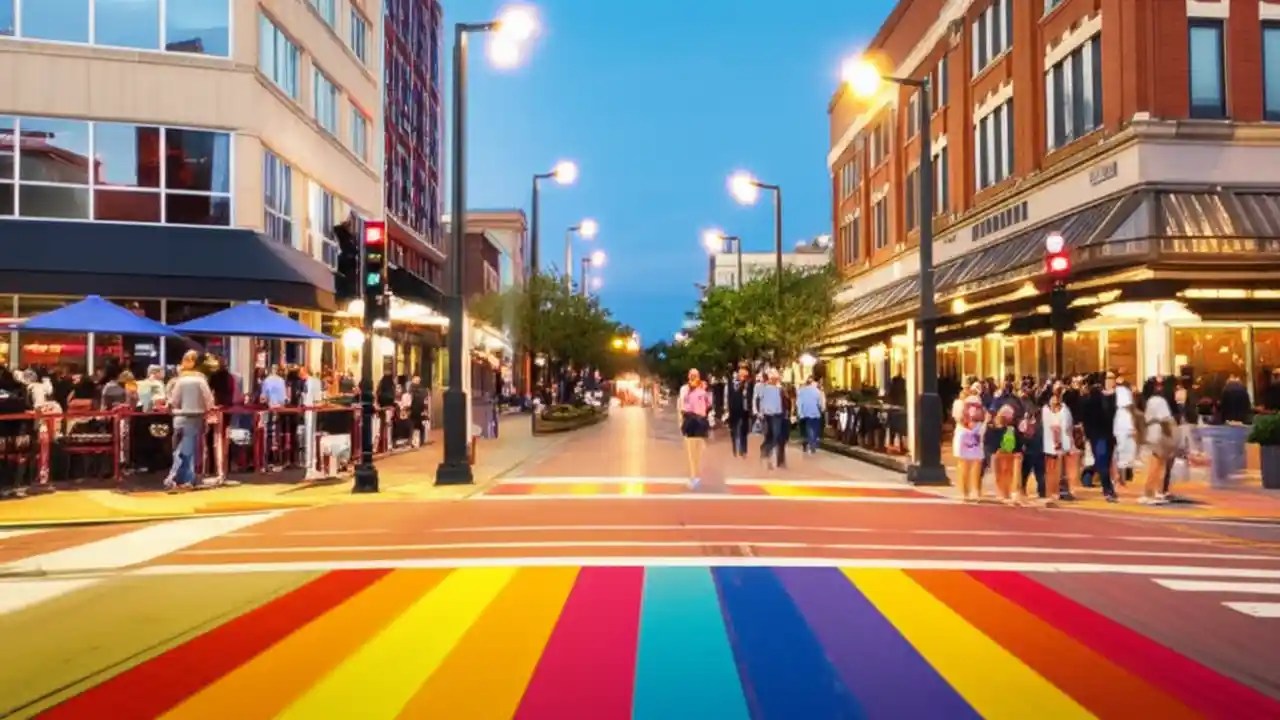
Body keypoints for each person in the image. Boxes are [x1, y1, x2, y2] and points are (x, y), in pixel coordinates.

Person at [166, 351, 215, 490]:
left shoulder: (180, 380)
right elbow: (209, 400)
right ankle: (181, 478)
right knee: (188, 449)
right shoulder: (201, 380)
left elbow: (174, 401)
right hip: (195, 417)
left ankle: (182, 477)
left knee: (180, 449)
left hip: (179, 417)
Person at [677, 368, 713, 489]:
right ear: (688, 376)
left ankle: (699, 475)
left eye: (696, 375)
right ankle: (694, 476)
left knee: (700, 450)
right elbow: (682, 404)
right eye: (691, 375)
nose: (693, 377)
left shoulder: (703, 389)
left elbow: (709, 404)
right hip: (689, 419)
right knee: (691, 451)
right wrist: (681, 421)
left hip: (701, 420)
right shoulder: (684, 389)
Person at [753, 369, 785, 469]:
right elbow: (757, 399)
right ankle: (766, 451)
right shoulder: (762, 387)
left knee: (776, 435)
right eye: (774, 378)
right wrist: (758, 412)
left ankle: (767, 451)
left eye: (776, 378)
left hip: (777, 414)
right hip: (767, 414)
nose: (776, 379)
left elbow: (784, 401)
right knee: (770, 435)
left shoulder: (779, 388)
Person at [726, 366, 754, 458]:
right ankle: (735, 449)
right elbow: (727, 396)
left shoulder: (748, 384)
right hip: (733, 410)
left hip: (744, 410)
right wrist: (726, 409)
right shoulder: (731, 384)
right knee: (734, 430)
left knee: (743, 431)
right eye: (741, 374)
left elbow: (751, 397)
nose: (742, 376)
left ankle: (743, 450)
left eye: (744, 375)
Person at [796, 376, 825, 454]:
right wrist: (822, 409)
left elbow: (799, 403)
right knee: (813, 429)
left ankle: (807, 442)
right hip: (815, 413)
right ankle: (812, 444)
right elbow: (820, 403)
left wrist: (799, 413)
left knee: (805, 430)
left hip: (804, 413)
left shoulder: (801, 391)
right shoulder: (817, 391)